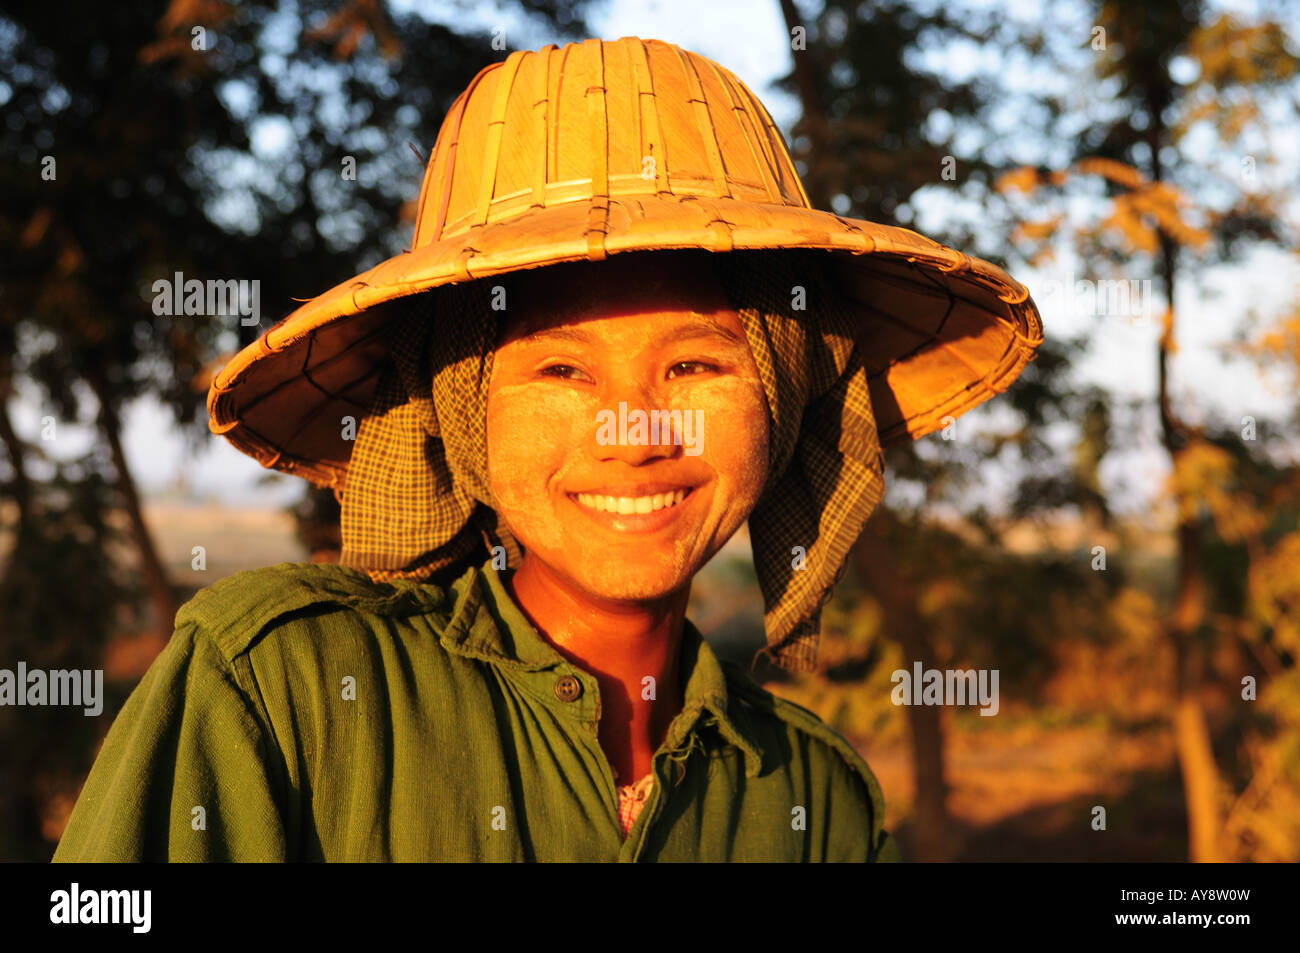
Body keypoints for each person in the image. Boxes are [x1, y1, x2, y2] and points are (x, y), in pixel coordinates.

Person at [53, 36, 1041, 862]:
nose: (634, 431)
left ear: (782, 402)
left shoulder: (813, 797)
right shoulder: (284, 686)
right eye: (561, 373)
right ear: (464, 411)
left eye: (695, 366)